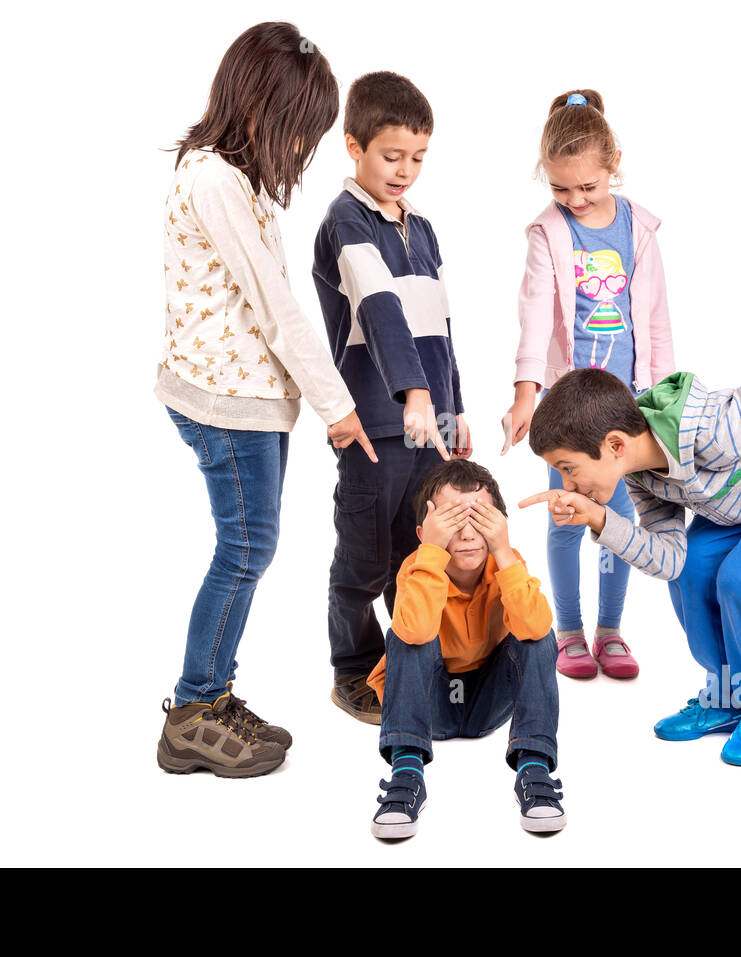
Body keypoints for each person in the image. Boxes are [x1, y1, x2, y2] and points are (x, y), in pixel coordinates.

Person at [154, 22, 376, 778]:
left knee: (249, 547)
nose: (299, 150)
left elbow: (272, 306)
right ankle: (193, 708)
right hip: (225, 401)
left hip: (247, 396)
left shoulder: (234, 177)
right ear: (258, 111)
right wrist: (338, 407)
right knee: (246, 549)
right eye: (296, 131)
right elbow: (277, 306)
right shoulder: (214, 179)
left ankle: (210, 697)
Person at [520, 344, 741, 766]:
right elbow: (670, 560)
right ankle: (727, 695)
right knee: (693, 572)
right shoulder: (641, 477)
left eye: (568, 468)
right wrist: (598, 519)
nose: (567, 484)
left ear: (614, 444)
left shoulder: (715, 433)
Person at [313, 71, 470, 724]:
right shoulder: (346, 220)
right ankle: (353, 668)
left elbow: (439, 324)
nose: (405, 170)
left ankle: (412, 662)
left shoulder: (422, 228)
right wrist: (411, 393)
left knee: (419, 549)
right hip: (376, 420)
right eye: (391, 156)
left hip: (426, 425)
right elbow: (379, 309)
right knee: (364, 556)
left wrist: (451, 406)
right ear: (354, 146)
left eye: (417, 158)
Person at [501, 89, 675, 681]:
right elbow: (532, 312)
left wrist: (660, 399)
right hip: (566, 399)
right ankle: (568, 630)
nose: (575, 200)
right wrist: (527, 391)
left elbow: (655, 321)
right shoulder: (548, 233)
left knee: (621, 518)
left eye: (588, 188)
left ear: (614, 165)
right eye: (560, 190)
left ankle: (610, 630)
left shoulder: (640, 229)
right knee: (566, 515)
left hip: (623, 402)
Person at [367, 461, 564, 839]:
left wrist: (503, 550)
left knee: (537, 629)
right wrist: (431, 553)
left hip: (487, 699)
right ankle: (407, 772)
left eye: (480, 519)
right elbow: (418, 630)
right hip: (430, 703)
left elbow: (537, 629)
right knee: (407, 635)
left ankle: (534, 768)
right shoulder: (418, 567)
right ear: (427, 532)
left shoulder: (505, 563)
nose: (468, 533)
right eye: (454, 521)